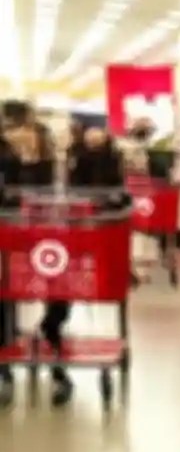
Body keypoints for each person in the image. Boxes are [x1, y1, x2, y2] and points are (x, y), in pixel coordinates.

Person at [41, 127, 126, 406]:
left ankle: (56, 358)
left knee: (56, 306)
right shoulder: (58, 164)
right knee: (54, 306)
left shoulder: (85, 163)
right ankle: (54, 351)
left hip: (68, 244)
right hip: (62, 244)